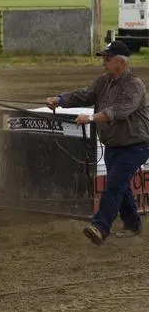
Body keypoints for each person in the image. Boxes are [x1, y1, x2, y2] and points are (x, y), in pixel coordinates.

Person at [46, 40, 149, 245]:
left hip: (136, 146)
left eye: (107, 59)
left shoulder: (134, 85)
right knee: (120, 185)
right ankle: (132, 225)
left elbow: (119, 111)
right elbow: (85, 95)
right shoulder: (104, 82)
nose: (104, 62)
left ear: (121, 62)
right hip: (113, 145)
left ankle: (100, 227)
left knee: (114, 185)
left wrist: (91, 118)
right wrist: (60, 100)